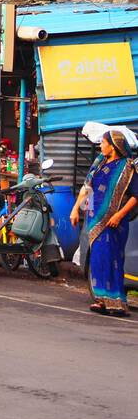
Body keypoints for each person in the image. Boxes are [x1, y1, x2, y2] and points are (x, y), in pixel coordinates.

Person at [71, 129, 138, 316]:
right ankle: (101, 299)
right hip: (95, 220)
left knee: (113, 260)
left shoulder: (127, 168)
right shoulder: (99, 163)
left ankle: (116, 303)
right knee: (98, 259)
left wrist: (119, 215)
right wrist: (76, 208)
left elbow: (135, 196)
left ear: (113, 146)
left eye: (103, 142)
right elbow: (87, 188)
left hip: (114, 223)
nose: (101, 145)